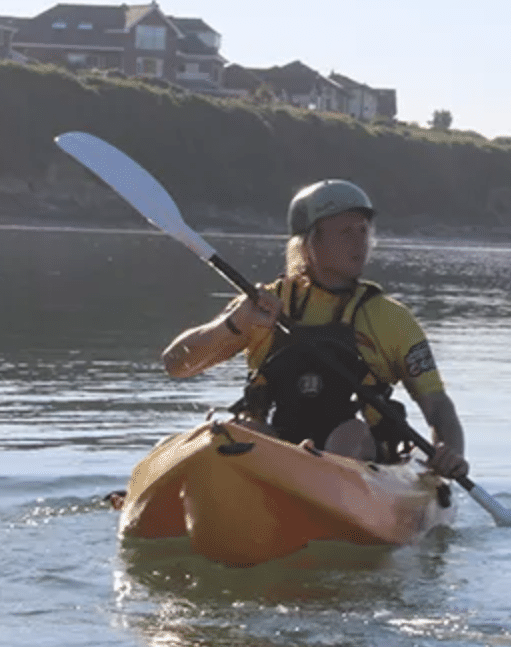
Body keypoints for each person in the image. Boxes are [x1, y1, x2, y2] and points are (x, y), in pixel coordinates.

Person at [159, 179, 468, 479]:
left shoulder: (390, 318)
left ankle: (322, 486)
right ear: (308, 243)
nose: (360, 242)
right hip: (275, 453)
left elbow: (437, 405)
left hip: (358, 462)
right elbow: (176, 364)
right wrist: (233, 324)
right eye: (345, 232)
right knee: (239, 431)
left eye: (363, 230)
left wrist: (449, 451)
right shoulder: (262, 305)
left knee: (351, 434)